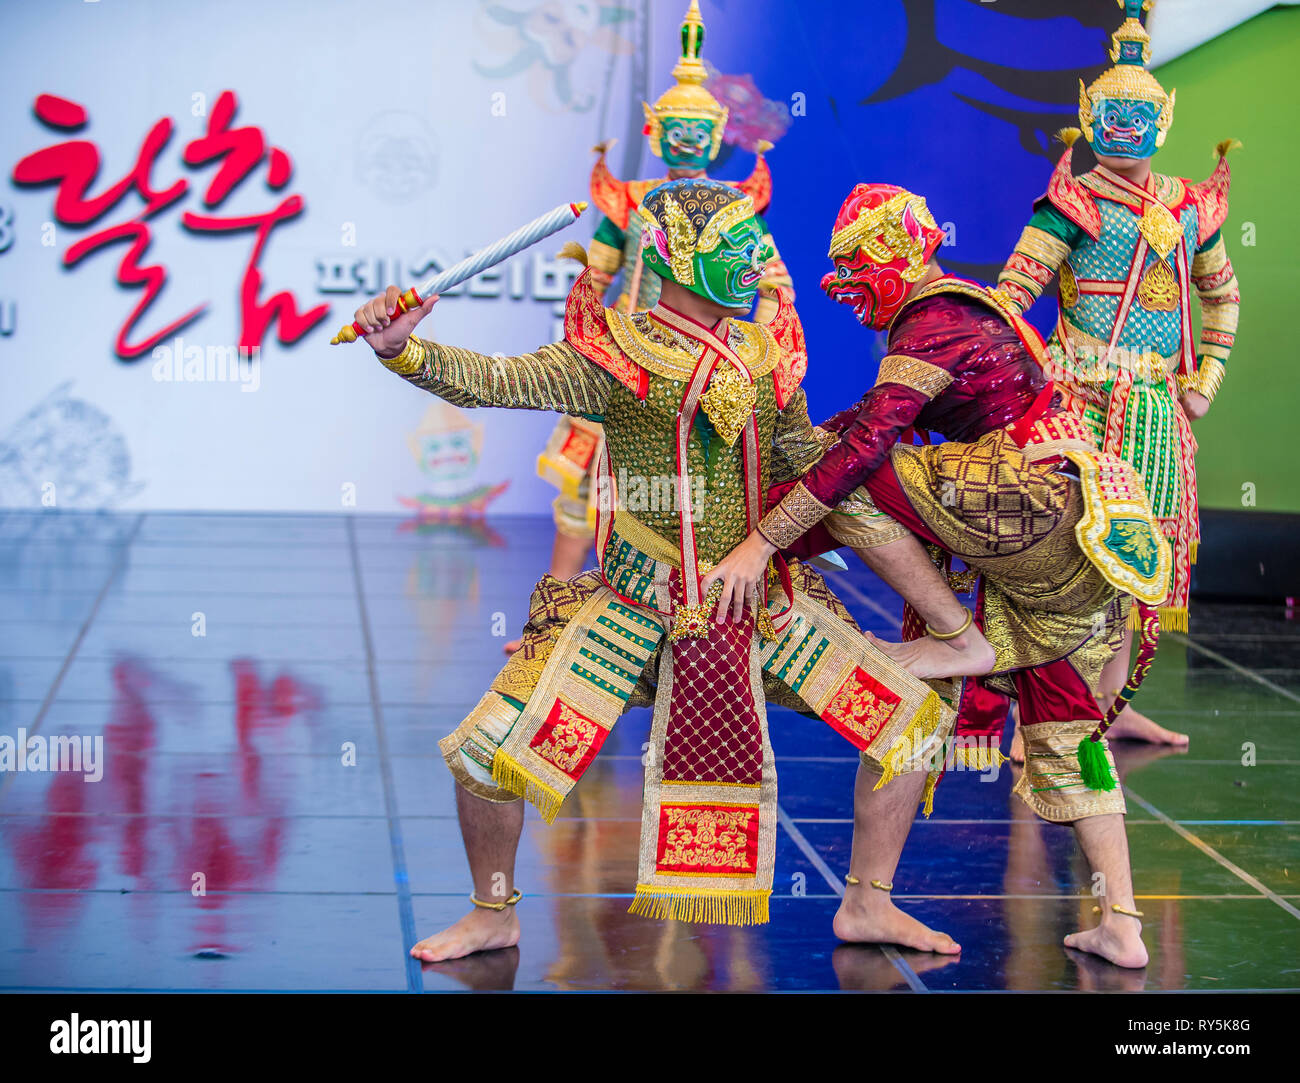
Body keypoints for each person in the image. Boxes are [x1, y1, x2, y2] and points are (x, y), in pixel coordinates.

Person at [353, 178, 954, 962]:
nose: (756, 261)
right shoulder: (617, 354)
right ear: (679, 257)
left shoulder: (766, 353)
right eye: (735, 247)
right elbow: (501, 380)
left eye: (755, 242)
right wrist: (404, 347)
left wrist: (891, 480)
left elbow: (796, 457)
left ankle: (868, 904)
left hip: (760, 613)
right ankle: (492, 911)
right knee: (483, 753)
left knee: (913, 725)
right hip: (634, 613)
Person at [704, 182, 1170, 967]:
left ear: (892, 254)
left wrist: (754, 542)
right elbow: (862, 421)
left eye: (854, 269)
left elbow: (859, 452)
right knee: (1047, 734)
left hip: (1028, 520)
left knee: (850, 480)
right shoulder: (953, 314)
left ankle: (956, 639)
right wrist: (788, 466)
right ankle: (1115, 920)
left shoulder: (934, 318)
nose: (847, 292)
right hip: (1059, 561)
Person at [997, 0, 1240, 751]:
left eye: (1140, 111)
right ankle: (1042, 707)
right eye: (1115, 110)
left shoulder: (1190, 204)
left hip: (1160, 405)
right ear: (1089, 113)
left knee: (1149, 552)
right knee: (1066, 547)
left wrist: (1207, 380)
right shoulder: (1071, 201)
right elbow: (1011, 297)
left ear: (1162, 117)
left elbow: (1222, 294)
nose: (1127, 124)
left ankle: (1110, 705)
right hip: (1078, 400)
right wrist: (1035, 378)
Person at [517, 0, 793, 652]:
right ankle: (554, 612)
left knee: (713, 488)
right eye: (678, 127)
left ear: (720, 129)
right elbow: (601, 273)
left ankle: (719, 606)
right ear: (653, 129)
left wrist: (766, 341)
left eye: (702, 129)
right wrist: (582, 343)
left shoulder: (735, 206)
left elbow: (763, 276)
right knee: (581, 483)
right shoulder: (633, 201)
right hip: (627, 356)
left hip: (701, 366)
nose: (690, 141)